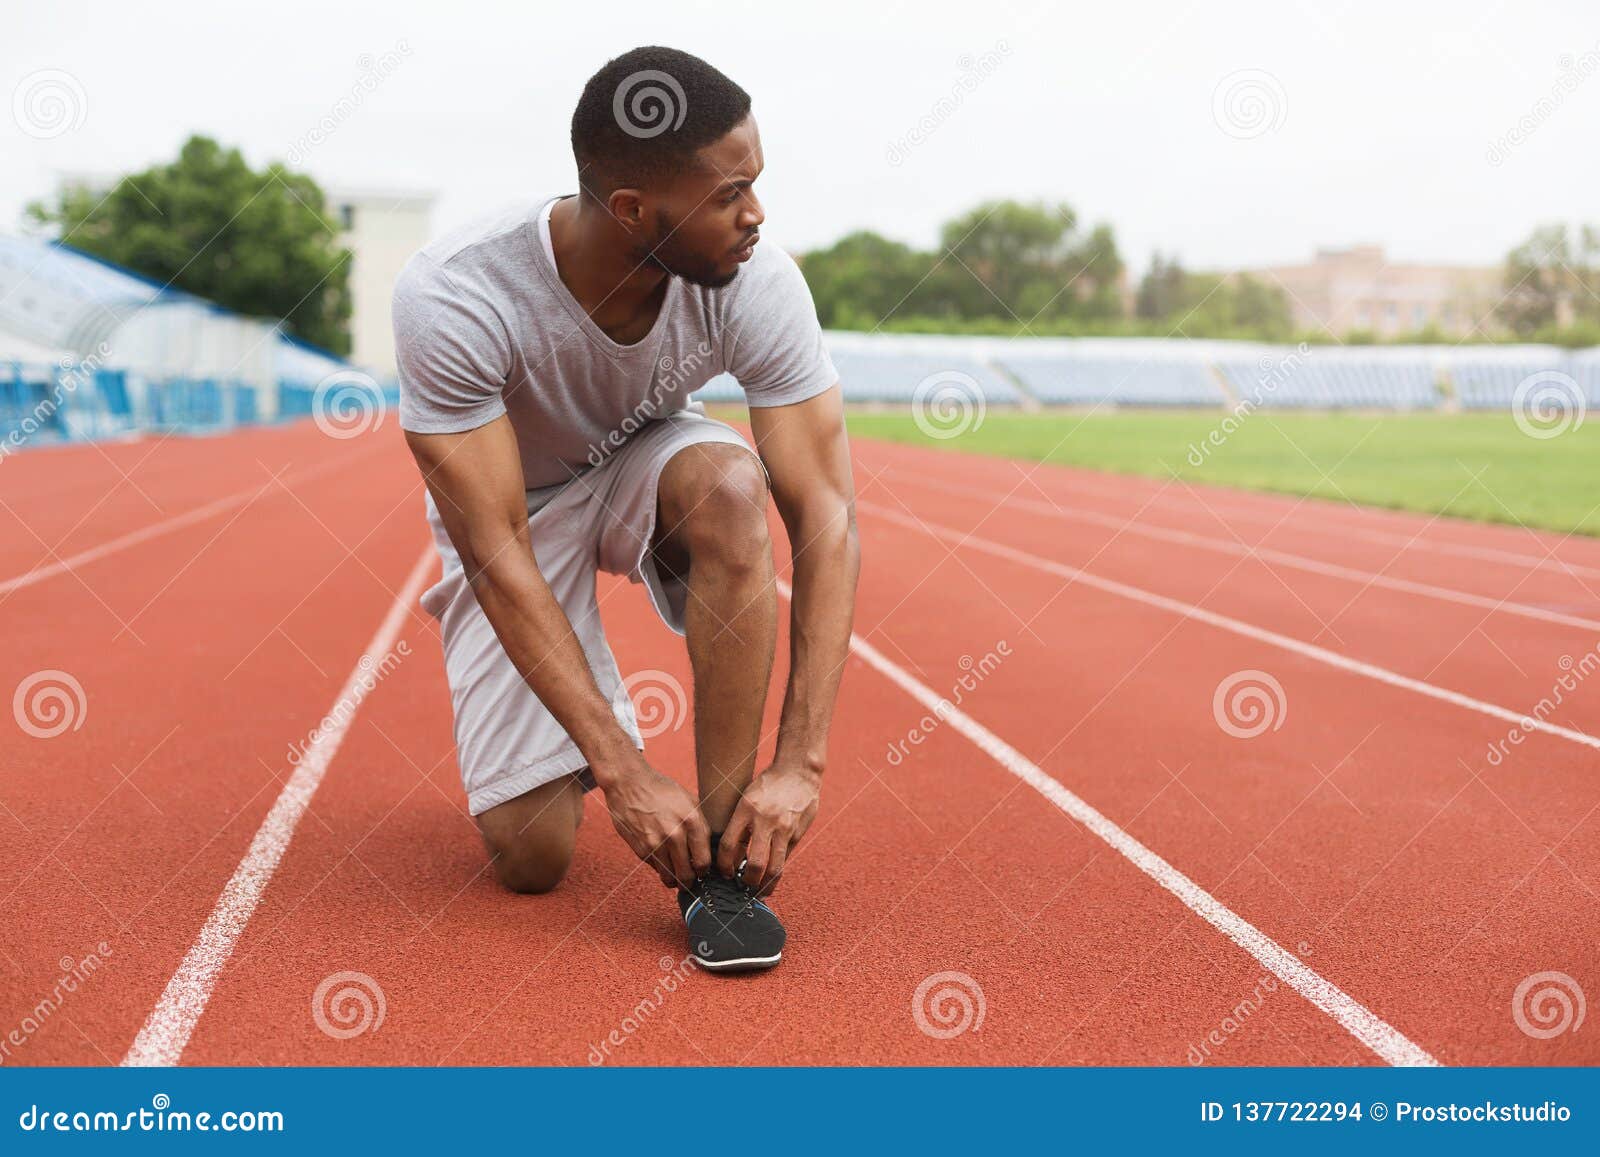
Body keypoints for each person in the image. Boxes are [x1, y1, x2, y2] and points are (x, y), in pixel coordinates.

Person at [392, 45, 859, 972]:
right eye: (730, 194)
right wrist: (623, 769)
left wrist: (800, 763)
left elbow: (827, 515)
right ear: (635, 210)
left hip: (645, 454)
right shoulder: (457, 293)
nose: (757, 214)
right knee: (532, 858)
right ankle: (578, 754)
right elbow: (495, 546)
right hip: (517, 507)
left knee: (732, 489)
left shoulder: (756, 280)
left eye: (756, 183)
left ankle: (721, 864)